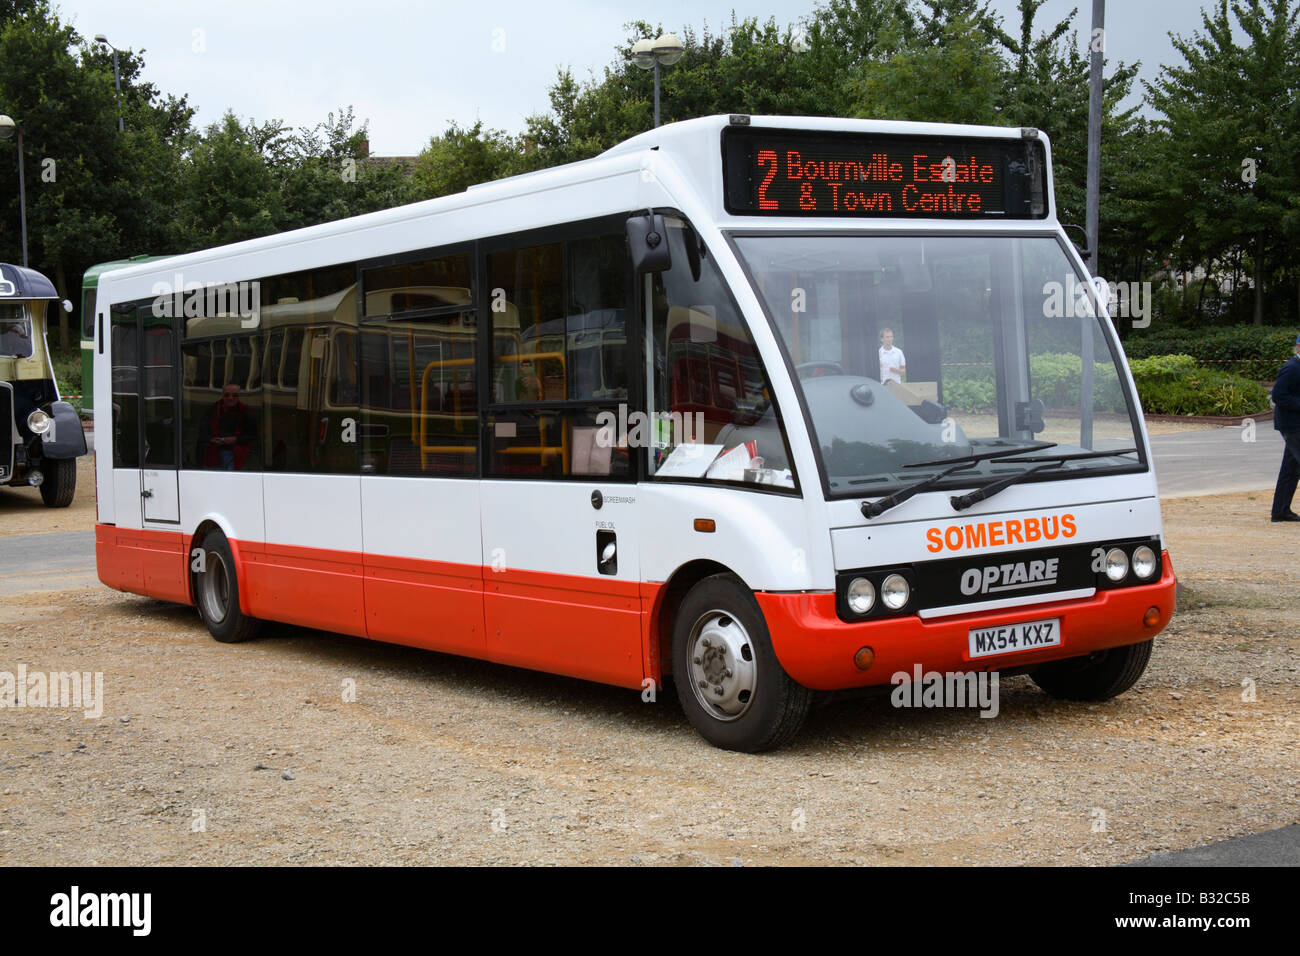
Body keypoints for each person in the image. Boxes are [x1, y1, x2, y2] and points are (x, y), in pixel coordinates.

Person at [1269, 334, 1300, 522]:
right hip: (1292, 426)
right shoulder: (1291, 368)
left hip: (1295, 425)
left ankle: (1280, 511)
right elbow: (1278, 396)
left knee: (1291, 468)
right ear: (1298, 347)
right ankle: (1280, 510)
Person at [203, 384, 257, 470]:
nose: (230, 398)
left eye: (234, 395)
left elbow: (252, 435)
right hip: (214, 452)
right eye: (227, 395)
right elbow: (203, 431)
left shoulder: (245, 412)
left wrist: (236, 440)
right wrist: (211, 439)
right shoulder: (212, 410)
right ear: (222, 395)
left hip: (236, 453)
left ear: (239, 396)